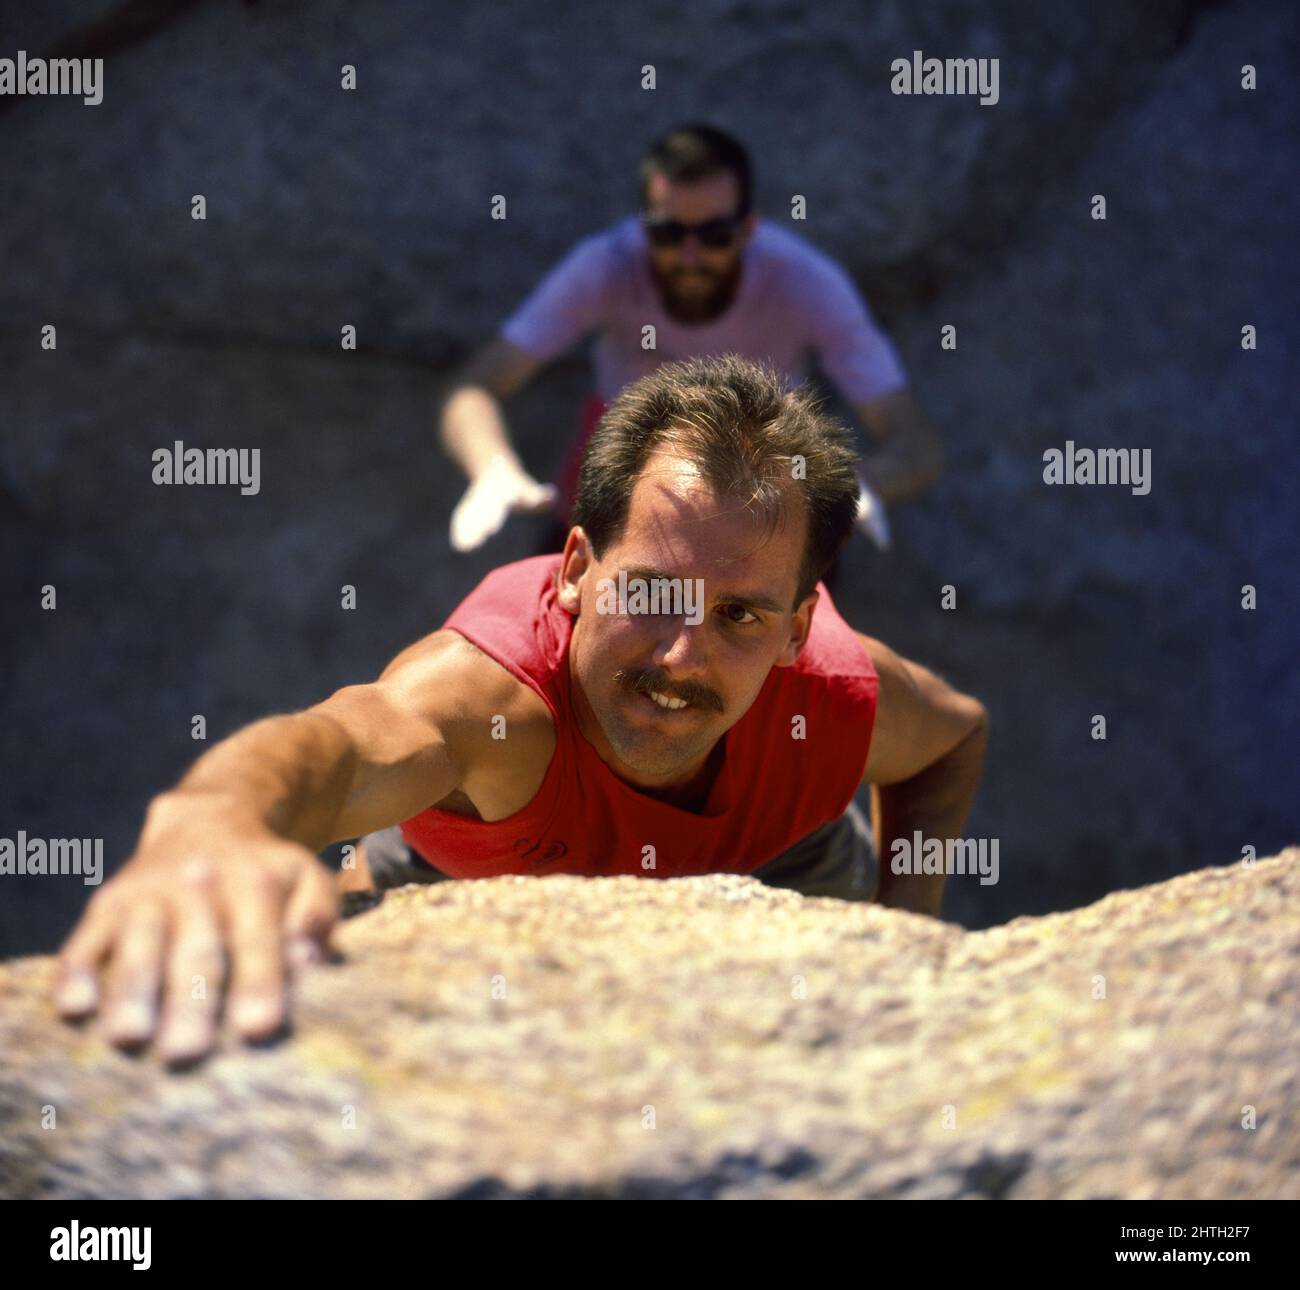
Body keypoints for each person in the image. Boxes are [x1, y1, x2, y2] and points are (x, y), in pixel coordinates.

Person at [53, 356, 986, 1066]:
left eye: (739, 615)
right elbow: (339, 745)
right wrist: (219, 818)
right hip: (462, 873)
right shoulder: (493, 704)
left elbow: (954, 741)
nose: (680, 656)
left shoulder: (833, 694)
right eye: (652, 593)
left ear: (795, 629)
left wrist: (910, 942)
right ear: (576, 570)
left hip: (786, 859)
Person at [442, 123, 943, 556]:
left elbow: (914, 441)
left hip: (763, 478)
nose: (689, 255)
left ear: (748, 229)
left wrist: (855, 485)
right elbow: (476, 385)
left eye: (714, 235)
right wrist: (492, 467)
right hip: (624, 460)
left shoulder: (805, 280)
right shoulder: (606, 264)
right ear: (643, 227)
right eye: (667, 233)